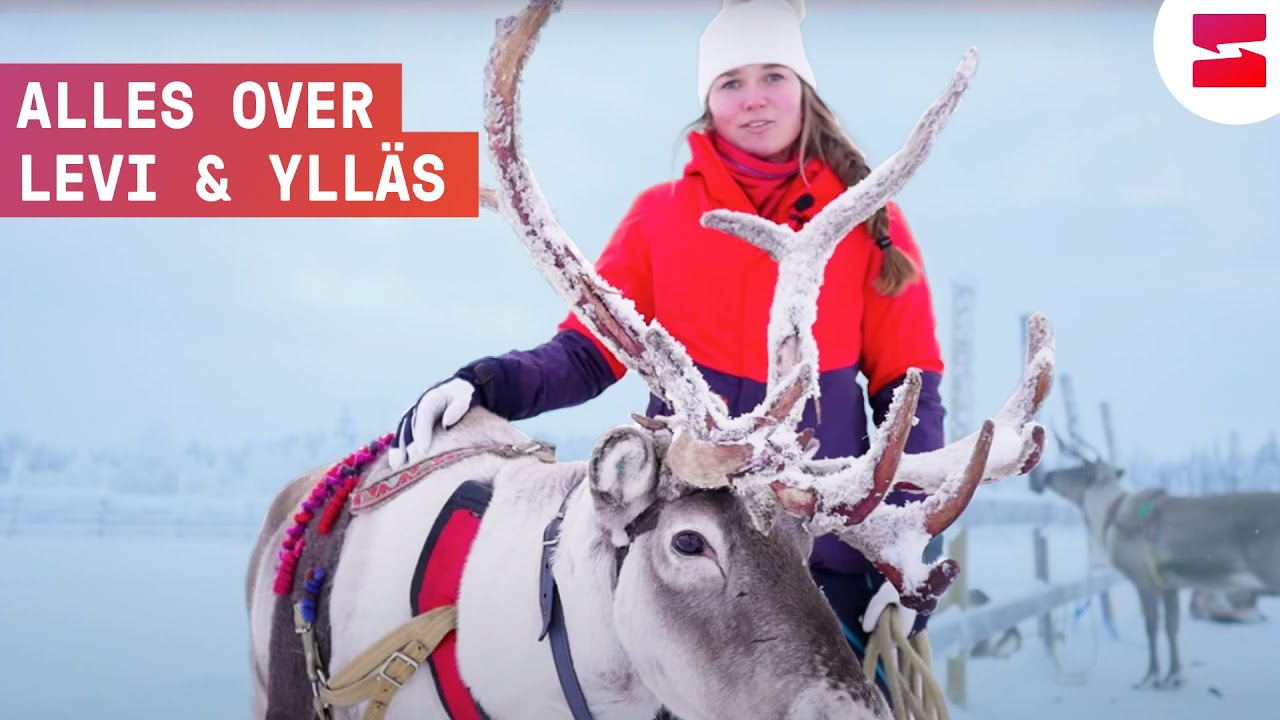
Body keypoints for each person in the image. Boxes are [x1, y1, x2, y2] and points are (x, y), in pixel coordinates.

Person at [388, 0, 946, 697]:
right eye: (730, 82)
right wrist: (488, 384)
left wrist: (907, 539)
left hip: (824, 563)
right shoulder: (660, 219)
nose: (753, 99)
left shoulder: (869, 226)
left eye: (772, 76)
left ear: (804, 90)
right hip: (684, 579)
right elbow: (588, 352)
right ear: (708, 103)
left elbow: (910, 394)